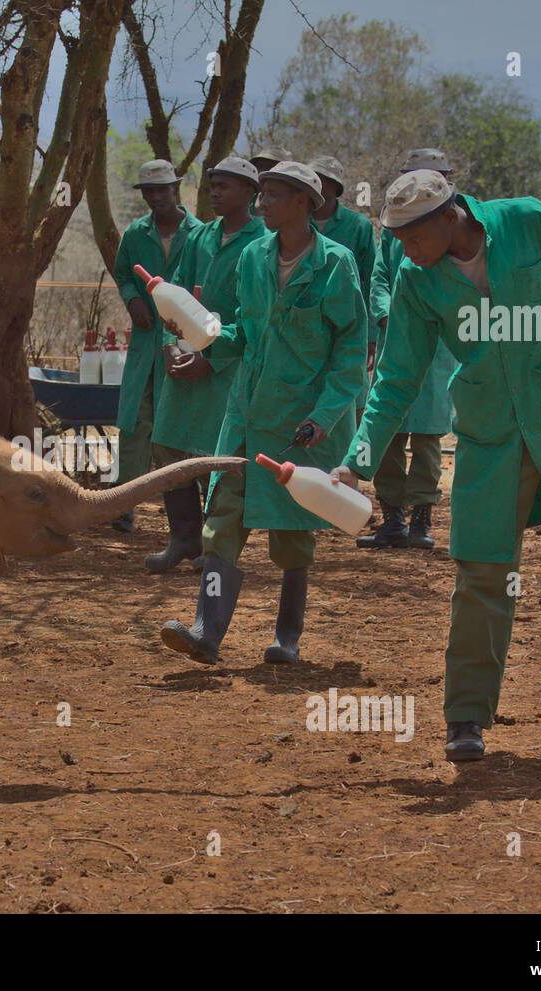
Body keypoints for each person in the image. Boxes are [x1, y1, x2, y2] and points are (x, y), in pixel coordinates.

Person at [332, 170, 541, 761]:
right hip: (490, 434)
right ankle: (466, 717)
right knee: (482, 572)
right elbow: (398, 377)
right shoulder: (417, 278)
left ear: (449, 216)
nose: (404, 250)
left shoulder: (527, 222)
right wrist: (357, 459)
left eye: (411, 236)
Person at [161, 162, 366, 664]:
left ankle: (286, 639)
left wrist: (325, 416)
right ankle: (205, 632)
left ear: (304, 203)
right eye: (263, 195)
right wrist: (203, 346)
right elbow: (244, 333)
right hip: (245, 416)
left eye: (274, 196)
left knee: (293, 532)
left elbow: (350, 352)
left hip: (299, 425)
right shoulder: (253, 257)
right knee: (222, 522)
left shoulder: (336, 264)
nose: (263, 204)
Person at [144, 156, 266, 574]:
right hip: (184, 359)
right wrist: (169, 344)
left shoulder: (261, 243)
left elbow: (253, 316)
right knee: (169, 442)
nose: (215, 192)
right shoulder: (200, 237)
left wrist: (209, 360)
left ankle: (215, 545)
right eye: (213, 185)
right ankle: (183, 537)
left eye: (226, 186)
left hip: (225, 369)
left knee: (218, 454)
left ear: (251, 192)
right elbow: (173, 293)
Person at [361, 148, 458, 550]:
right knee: (385, 434)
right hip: (394, 339)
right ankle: (391, 520)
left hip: (437, 348)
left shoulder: (455, 231)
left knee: (427, 439)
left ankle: (421, 519)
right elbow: (381, 276)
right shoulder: (393, 226)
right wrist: (386, 315)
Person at [110, 160, 203, 533]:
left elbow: (203, 283)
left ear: (175, 189)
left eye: (162, 189)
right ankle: (124, 503)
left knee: (177, 422)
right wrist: (132, 300)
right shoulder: (136, 234)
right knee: (134, 420)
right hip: (145, 339)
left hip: (182, 339)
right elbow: (123, 274)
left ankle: (184, 509)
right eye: (149, 191)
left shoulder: (199, 234)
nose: (156, 197)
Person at [308, 156, 376, 414]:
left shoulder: (358, 226)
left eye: (323, 181)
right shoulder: (296, 222)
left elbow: (370, 279)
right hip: (307, 321)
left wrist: (371, 337)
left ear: (336, 188)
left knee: (348, 385)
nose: (317, 187)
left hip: (346, 319)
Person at [248, 148, 291, 216]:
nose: (262, 171)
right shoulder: (247, 199)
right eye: (259, 166)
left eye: (270, 166)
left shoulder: (292, 205)